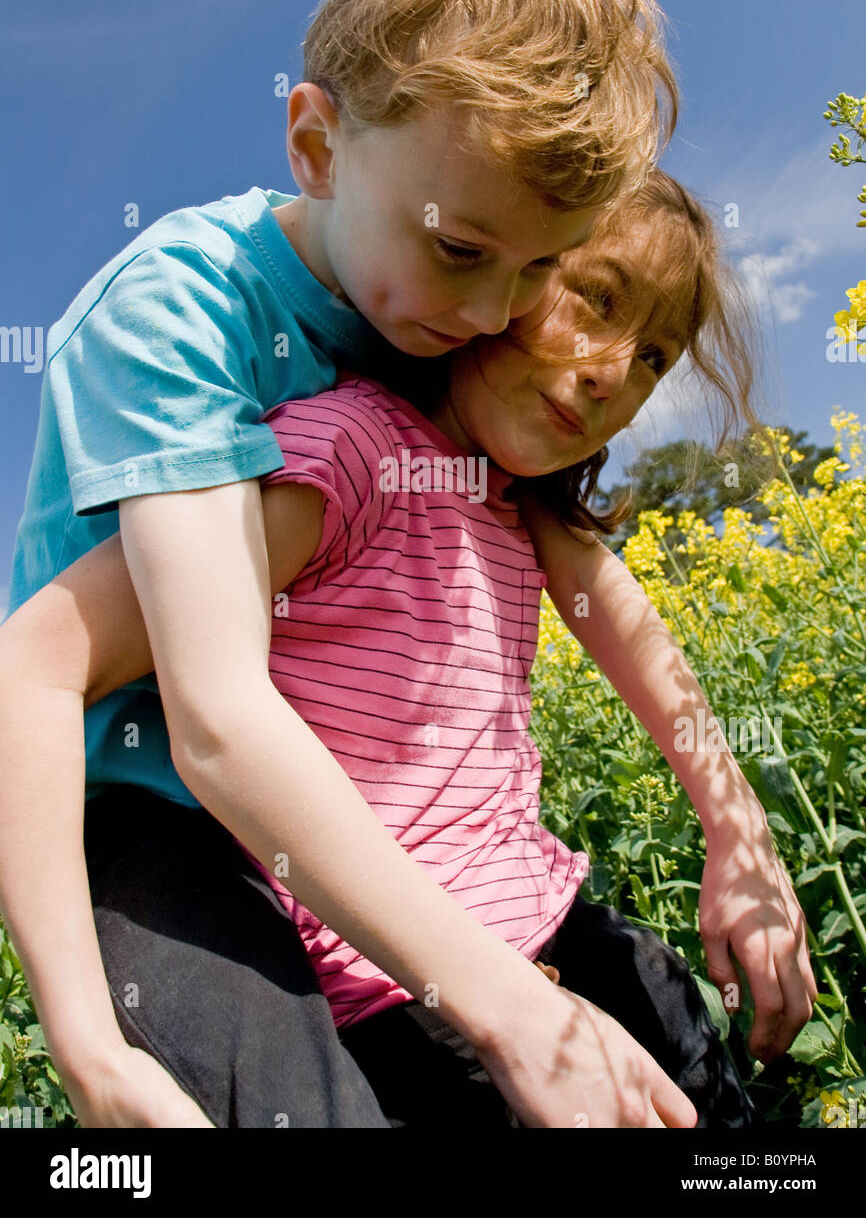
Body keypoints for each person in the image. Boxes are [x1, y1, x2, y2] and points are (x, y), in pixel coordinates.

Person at [0, 172, 815, 1128]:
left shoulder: (519, 504)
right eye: (593, 298)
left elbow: (629, 624)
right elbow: (51, 654)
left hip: (559, 941)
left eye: (652, 358)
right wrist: (89, 1048)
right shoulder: (341, 447)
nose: (610, 372)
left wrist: (739, 832)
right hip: (412, 1007)